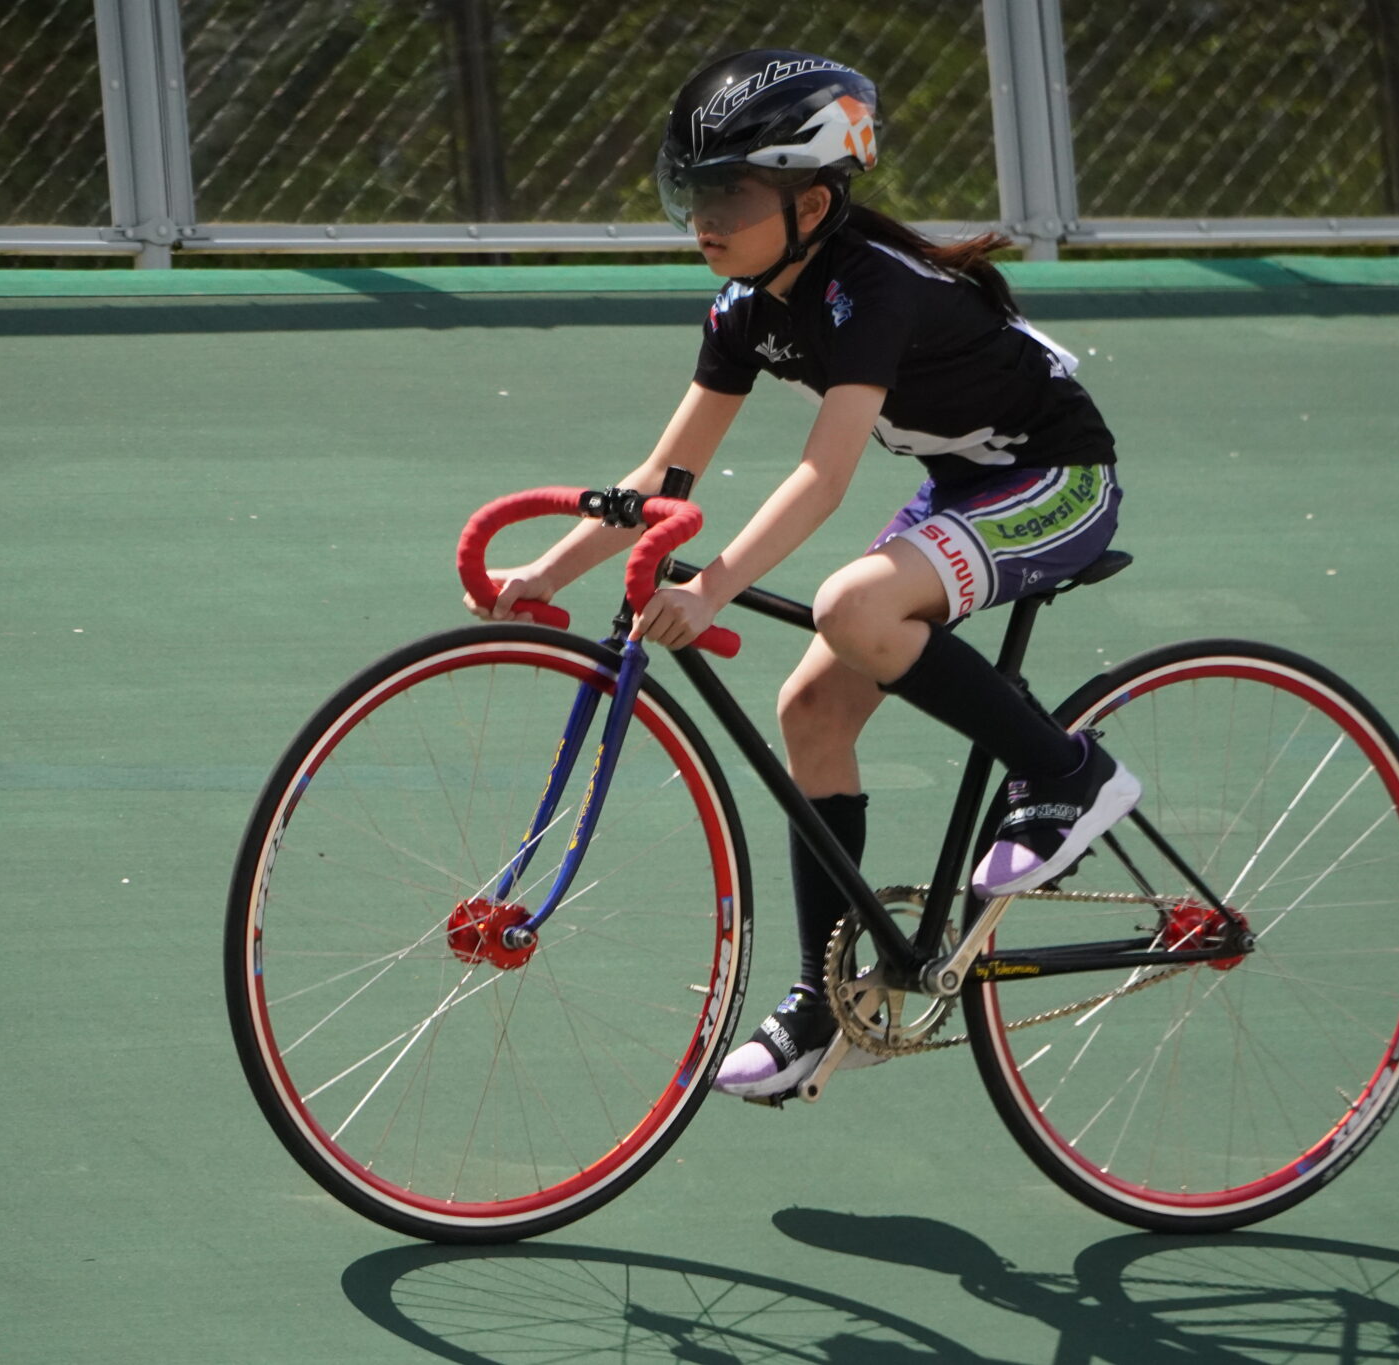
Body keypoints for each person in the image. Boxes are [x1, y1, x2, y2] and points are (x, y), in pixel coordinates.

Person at [468, 50, 1139, 1099]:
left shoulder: (869, 286)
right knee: (810, 710)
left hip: (1054, 477)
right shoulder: (745, 306)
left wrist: (709, 588)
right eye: (690, 192)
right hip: (957, 487)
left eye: (729, 194)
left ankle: (1066, 772)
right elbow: (660, 475)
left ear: (813, 200)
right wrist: (543, 575)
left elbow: (822, 477)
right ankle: (825, 1005)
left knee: (850, 605)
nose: (704, 217)